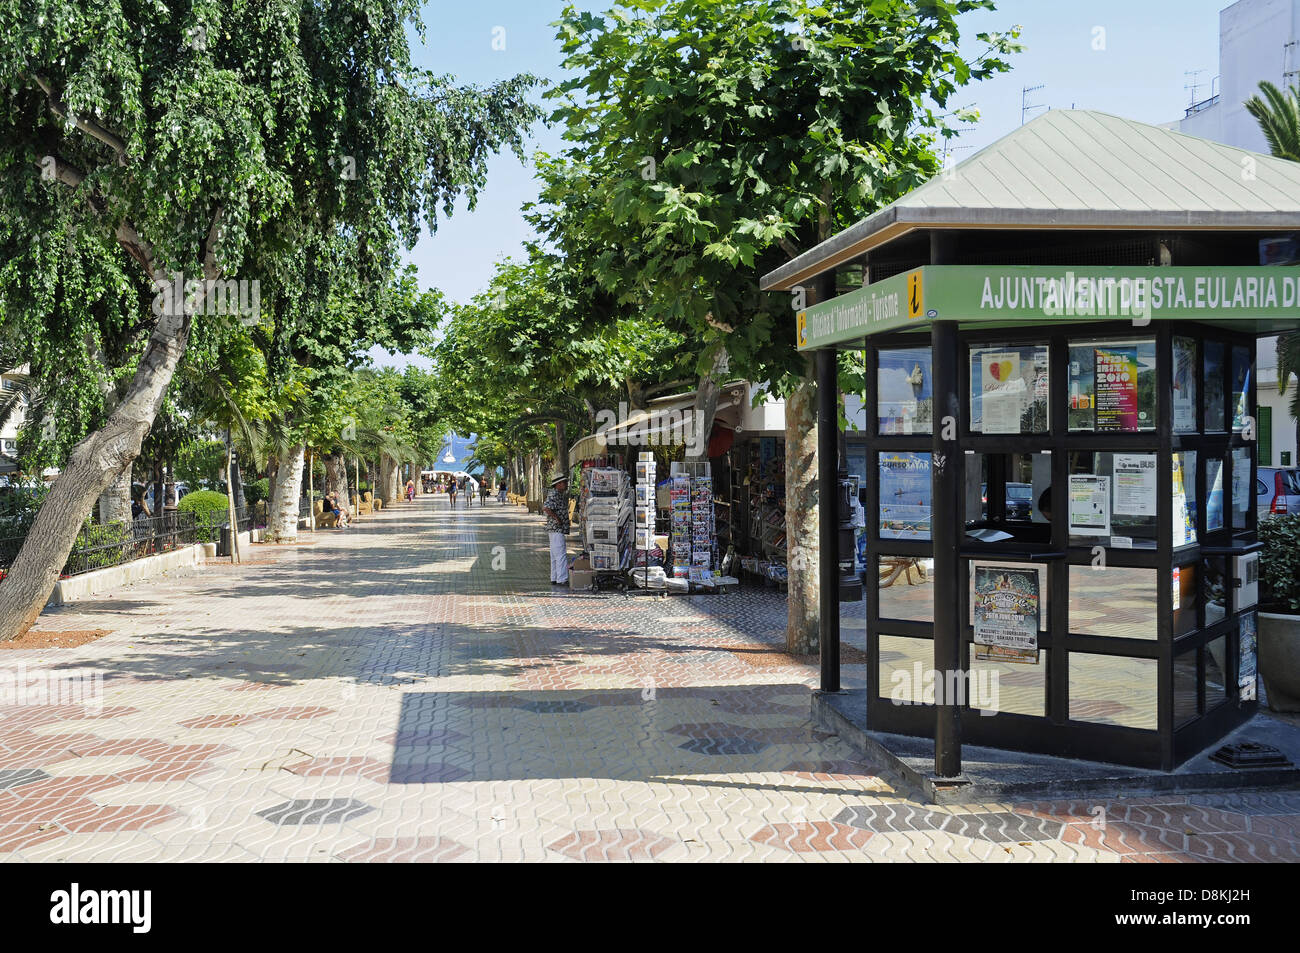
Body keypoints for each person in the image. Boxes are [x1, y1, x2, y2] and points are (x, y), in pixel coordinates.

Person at [543, 473, 571, 586]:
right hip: (556, 528)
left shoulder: (557, 494)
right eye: (564, 483)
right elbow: (546, 508)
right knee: (560, 554)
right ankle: (562, 579)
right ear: (558, 484)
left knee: (555, 555)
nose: (566, 484)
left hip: (555, 529)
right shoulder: (554, 494)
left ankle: (554, 577)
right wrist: (557, 519)